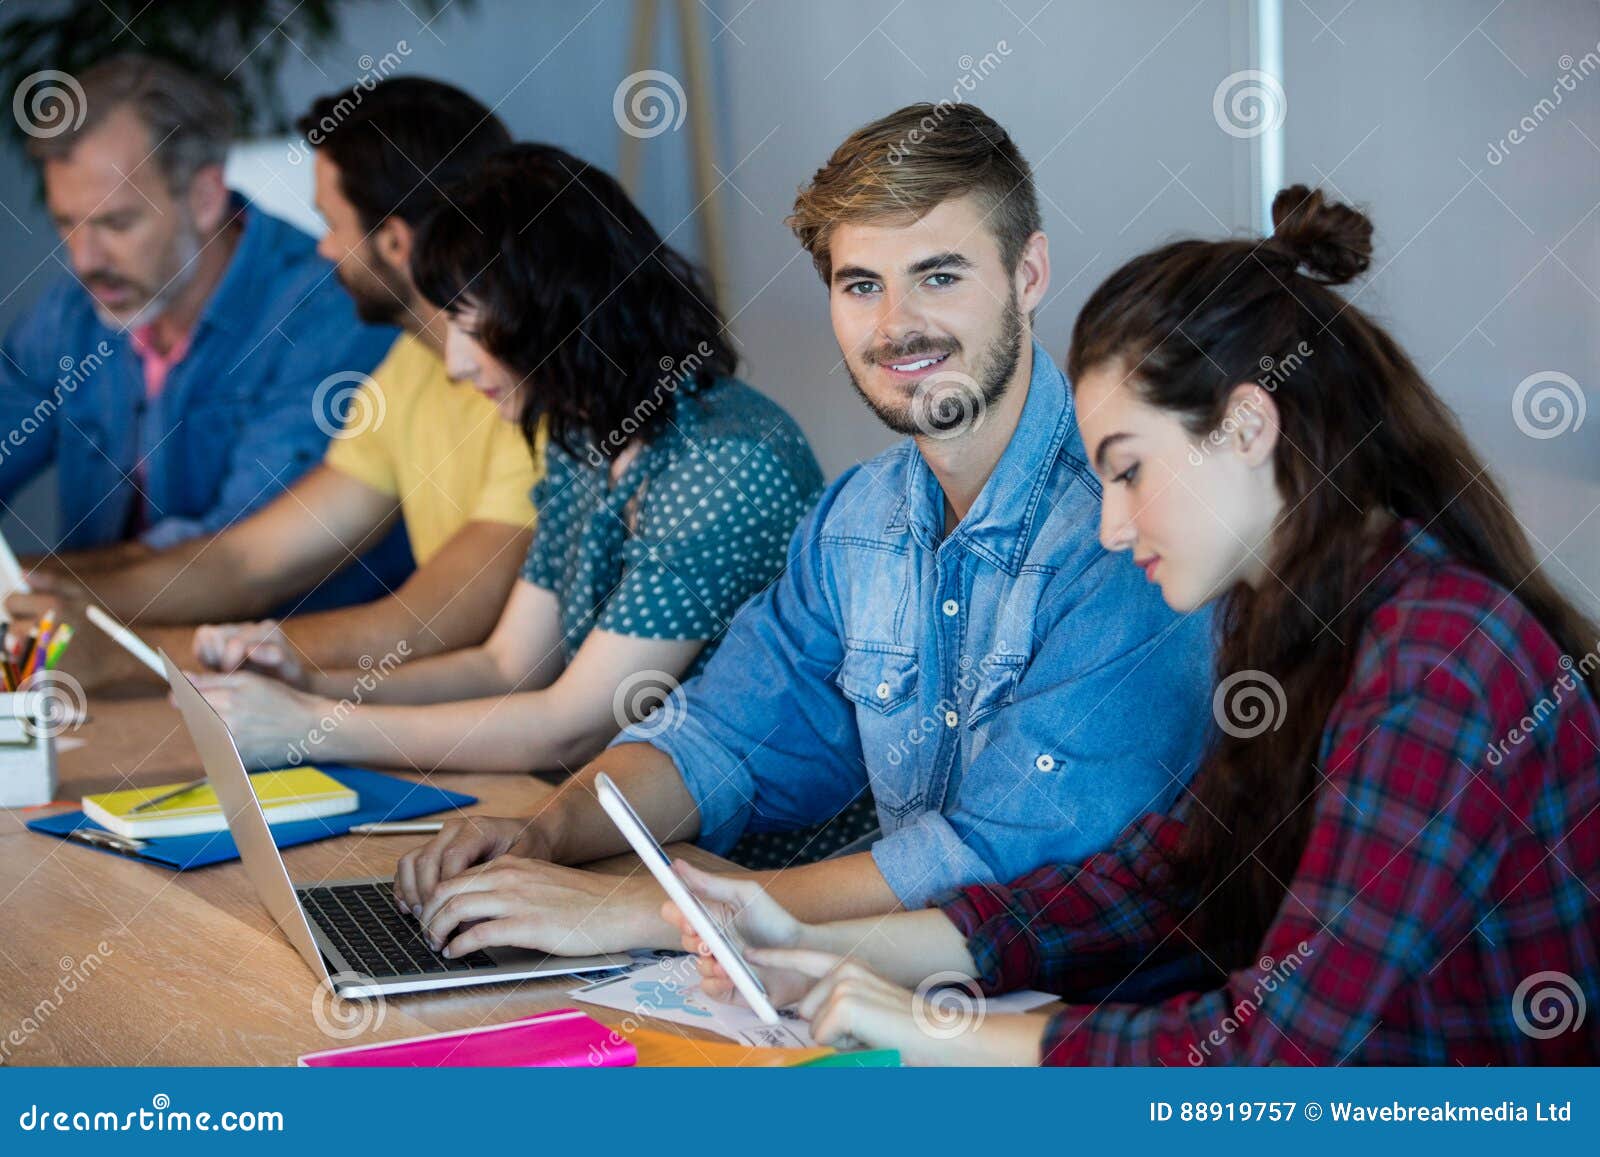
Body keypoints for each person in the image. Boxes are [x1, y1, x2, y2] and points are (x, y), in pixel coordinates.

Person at [660, 186, 1600, 1066]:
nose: (1111, 524)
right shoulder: (1295, 630)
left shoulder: (1439, 655)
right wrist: (814, 940)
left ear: (1245, 426)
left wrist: (925, 1023)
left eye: (1129, 469)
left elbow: (1273, 1051)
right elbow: (1158, 886)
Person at [391, 103, 1214, 949]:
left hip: (1075, 1033)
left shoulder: (1120, 526)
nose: (896, 325)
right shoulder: (857, 521)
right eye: (862, 285)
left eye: (939, 275)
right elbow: (716, 738)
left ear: (1029, 272)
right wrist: (545, 834)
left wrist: (651, 914)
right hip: (883, 988)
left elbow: (998, 861)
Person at [189, 143, 824, 778]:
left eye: (471, 324)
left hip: (740, 865)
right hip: (630, 833)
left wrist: (309, 730)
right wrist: (312, 689)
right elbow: (507, 667)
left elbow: (566, 729)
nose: (459, 364)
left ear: (553, 304)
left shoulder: (720, 465)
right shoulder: (583, 437)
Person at [10, 78, 540, 689]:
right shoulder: (413, 367)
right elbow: (245, 561)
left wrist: (126, 657)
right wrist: (43, 599)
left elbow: (418, 627)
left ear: (394, 241)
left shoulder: (532, 382)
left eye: (331, 223)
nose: (323, 247)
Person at [0, 54, 393, 566]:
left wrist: (27, 586)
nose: (84, 259)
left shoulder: (328, 313)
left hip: (250, 638)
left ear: (206, 197)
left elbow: (232, 564)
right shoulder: (74, 308)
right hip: (94, 627)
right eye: (67, 224)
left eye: (117, 224)